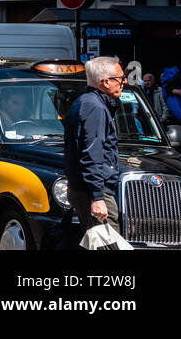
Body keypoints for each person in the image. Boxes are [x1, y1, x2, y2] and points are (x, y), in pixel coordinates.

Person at [64, 56, 124, 241]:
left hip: (88, 190)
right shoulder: (94, 107)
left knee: (97, 242)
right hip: (94, 192)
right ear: (106, 82)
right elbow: (91, 154)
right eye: (121, 78)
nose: (124, 82)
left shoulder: (86, 102)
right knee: (107, 244)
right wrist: (97, 197)